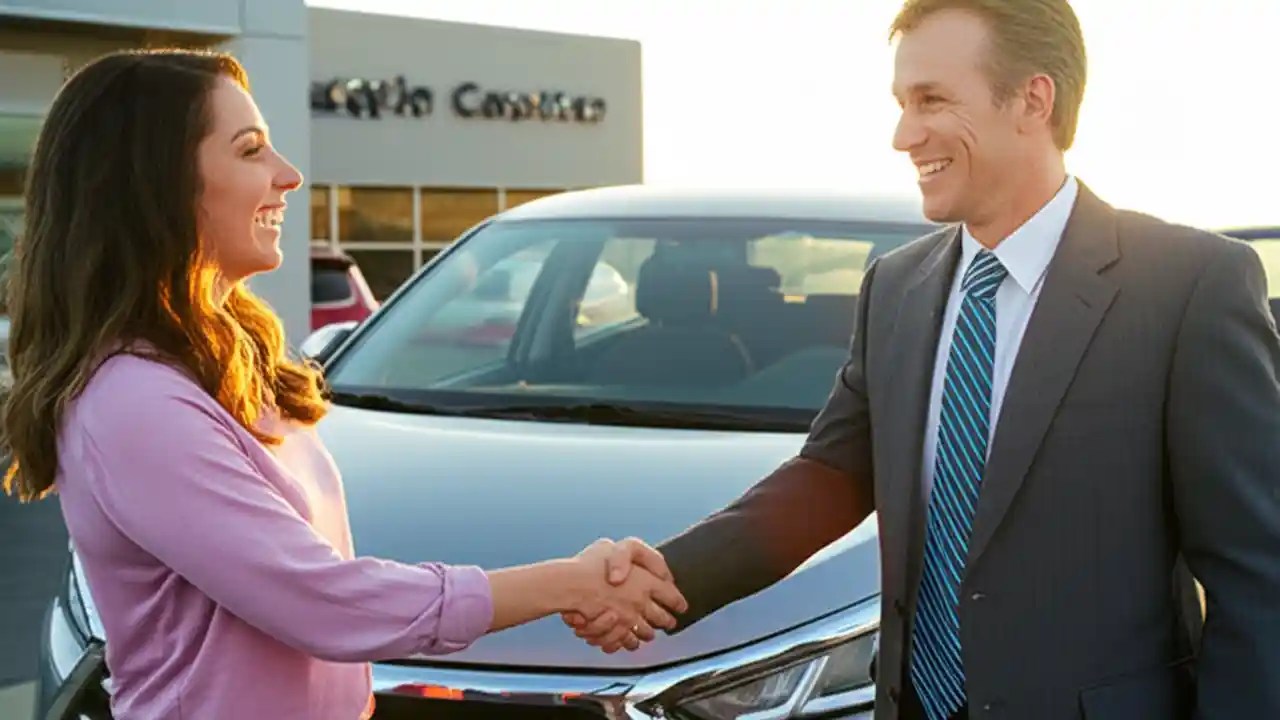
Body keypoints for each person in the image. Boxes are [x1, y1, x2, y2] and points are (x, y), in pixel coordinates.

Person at [567, 1, 1280, 718]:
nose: (904, 135)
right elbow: (833, 475)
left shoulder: (1189, 285)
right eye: (903, 103)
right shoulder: (895, 285)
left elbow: (1257, 575)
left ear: (1034, 99)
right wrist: (666, 581)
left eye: (932, 100)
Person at [0, 49, 686, 720]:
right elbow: (319, 600)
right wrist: (568, 583)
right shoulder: (133, 403)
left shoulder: (226, 363)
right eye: (250, 151)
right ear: (156, 185)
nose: (290, 175)